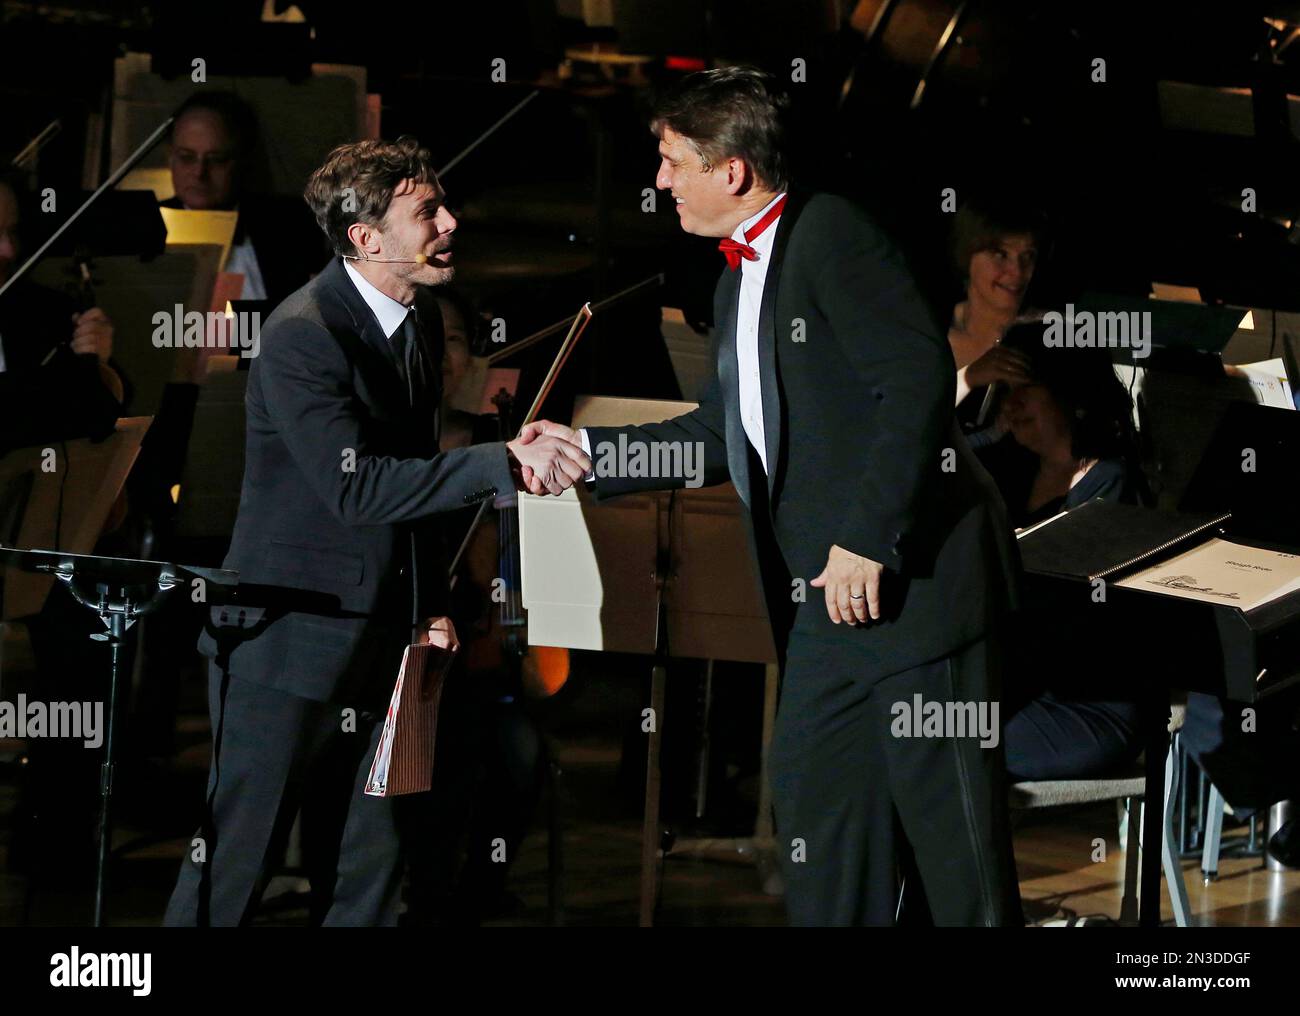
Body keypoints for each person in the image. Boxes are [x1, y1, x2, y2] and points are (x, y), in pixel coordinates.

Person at [527, 67, 1021, 926]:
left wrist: (869, 537)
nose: (660, 180)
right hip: (828, 620)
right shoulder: (734, 279)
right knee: (822, 830)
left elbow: (913, 381)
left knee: (957, 865)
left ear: (733, 172)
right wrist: (585, 455)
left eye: (674, 161)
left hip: (917, 597)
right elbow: (721, 436)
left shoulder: (830, 233)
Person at [163, 137, 590, 927]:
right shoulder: (303, 334)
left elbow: (416, 474)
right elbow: (356, 488)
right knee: (236, 863)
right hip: (285, 637)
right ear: (366, 238)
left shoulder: (421, 319)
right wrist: (501, 463)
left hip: (389, 637)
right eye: (427, 211)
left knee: (379, 862)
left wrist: (428, 606)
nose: (450, 222)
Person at [977, 324, 1149, 781]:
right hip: (1017, 689)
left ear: (1068, 392)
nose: (1010, 404)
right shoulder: (1007, 470)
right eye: (1003, 390)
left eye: (1025, 389)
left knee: (934, 743)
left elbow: (1066, 615)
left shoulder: (1111, 483)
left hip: (1087, 709)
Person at [946, 194, 1050, 439]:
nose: (1017, 272)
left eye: (1028, 256)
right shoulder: (929, 334)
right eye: (1000, 254)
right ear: (967, 254)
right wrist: (969, 378)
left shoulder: (1052, 332)